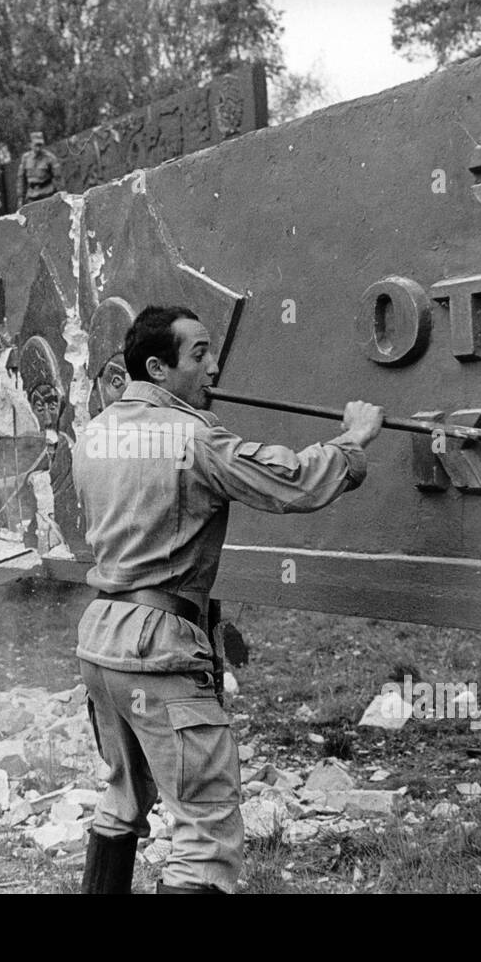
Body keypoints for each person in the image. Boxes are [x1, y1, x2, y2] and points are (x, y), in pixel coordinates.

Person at [72, 306, 384, 894]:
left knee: (122, 796)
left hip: (101, 641)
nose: (213, 367)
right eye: (200, 354)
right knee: (207, 830)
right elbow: (291, 480)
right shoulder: (194, 437)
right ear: (157, 368)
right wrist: (352, 441)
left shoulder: (94, 432)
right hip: (157, 646)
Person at [16, 131, 60, 208]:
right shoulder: (25, 158)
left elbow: (58, 178)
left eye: (40, 145)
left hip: (47, 194)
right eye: (36, 145)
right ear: (30, 144)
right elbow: (21, 179)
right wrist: (20, 198)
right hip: (32, 196)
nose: (38, 148)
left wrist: (60, 195)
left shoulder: (50, 158)